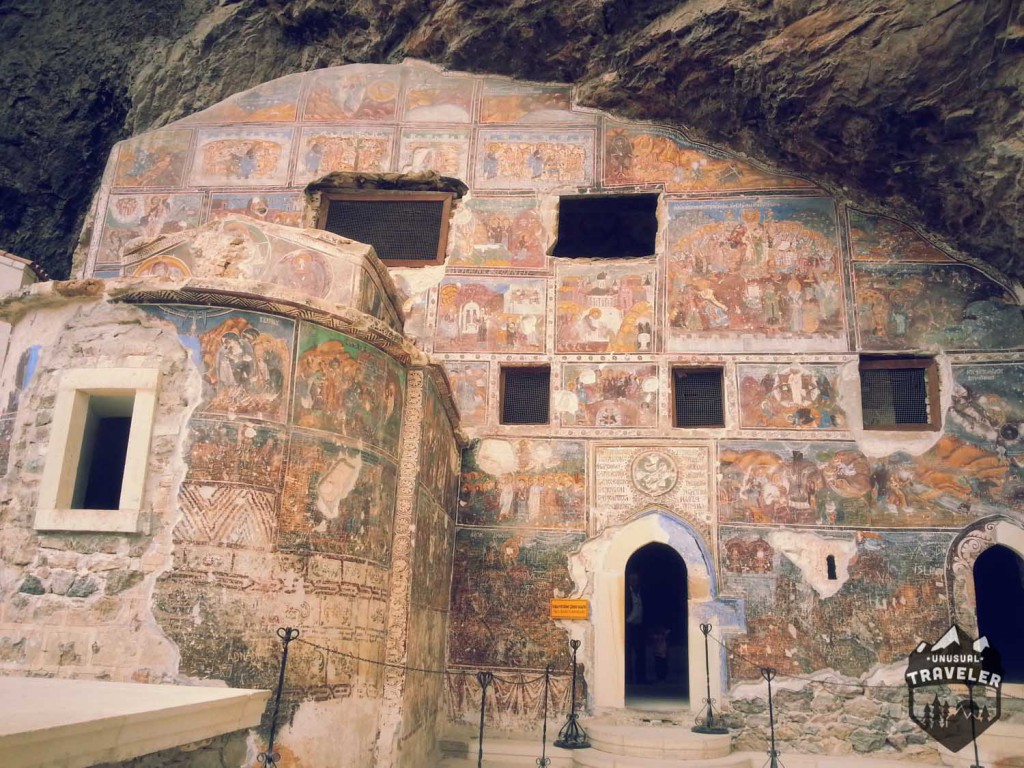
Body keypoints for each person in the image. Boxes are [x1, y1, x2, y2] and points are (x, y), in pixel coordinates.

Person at [625, 572, 646, 684]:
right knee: (627, 653)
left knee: (640, 653)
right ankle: (628, 679)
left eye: (636, 580)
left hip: (639, 626)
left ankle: (641, 678)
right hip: (628, 626)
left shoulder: (640, 592)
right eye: (632, 580)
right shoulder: (627, 593)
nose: (635, 582)